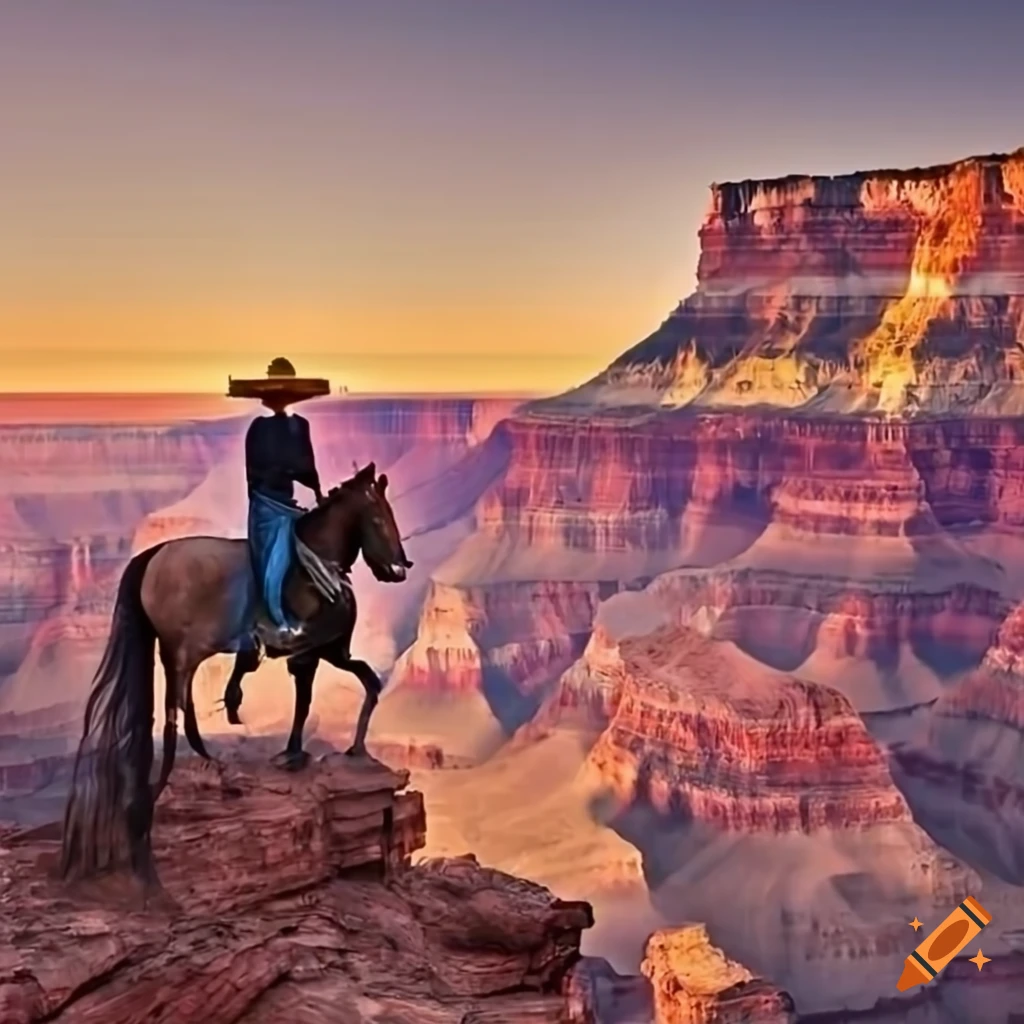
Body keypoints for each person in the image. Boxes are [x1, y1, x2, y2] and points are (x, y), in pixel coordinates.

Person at [242, 358, 326, 638]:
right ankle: (275, 617)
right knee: (276, 555)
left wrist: (317, 493)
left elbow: (308, 464)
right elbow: (254, 470)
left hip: (289, 503)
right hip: (267, 502)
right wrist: (282, 473)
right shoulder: (259, 428)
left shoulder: (300, 425)